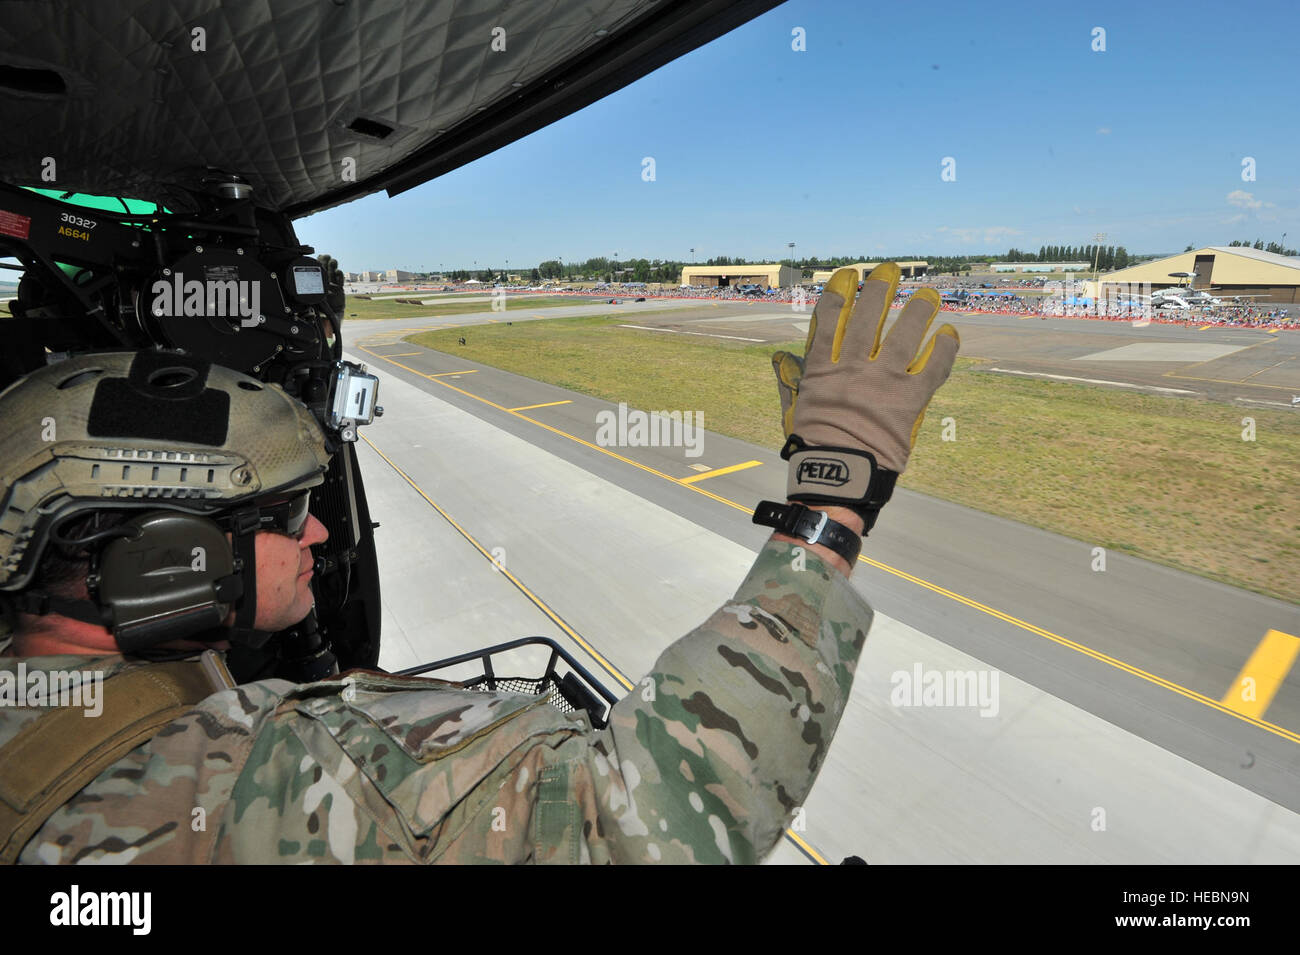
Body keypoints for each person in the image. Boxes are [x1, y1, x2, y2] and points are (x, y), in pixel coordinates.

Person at [0, 262, 958, 864]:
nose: (321, 534)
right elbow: (640, 827)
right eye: (285, 516)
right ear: (169, 560)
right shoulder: (258, 777)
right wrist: (831, 503)